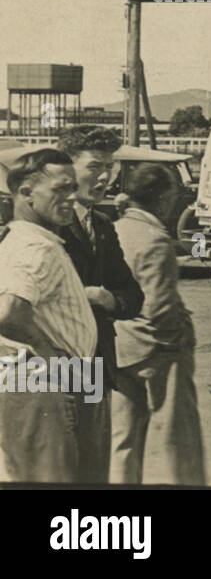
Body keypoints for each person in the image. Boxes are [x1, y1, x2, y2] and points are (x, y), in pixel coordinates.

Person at [0, 149, 99, 483]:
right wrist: (50, 356)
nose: (73, 196)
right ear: (26, 193)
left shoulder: (21, 238)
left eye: (73, 186)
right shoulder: (36, 246)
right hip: (49, 378)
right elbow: (9, 313)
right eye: (61, 189)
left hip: (55, 375)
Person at [55, 125, 145, 482]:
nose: (105, 176)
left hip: (95, 364)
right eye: (94, 166)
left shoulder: (103, 225)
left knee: (93, 468)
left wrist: (106, 298)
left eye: (111, 167)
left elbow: (132, 297)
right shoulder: (45, 225)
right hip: (52, 365)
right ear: (67, 168)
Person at [110, 164, 205, 485]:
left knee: (123, 439)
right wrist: (172, 343)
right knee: (178, 438)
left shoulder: (115, 230)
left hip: (119, 347)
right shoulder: (155, 240)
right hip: (157, 352)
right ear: (161, 198)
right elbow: (159, 306)